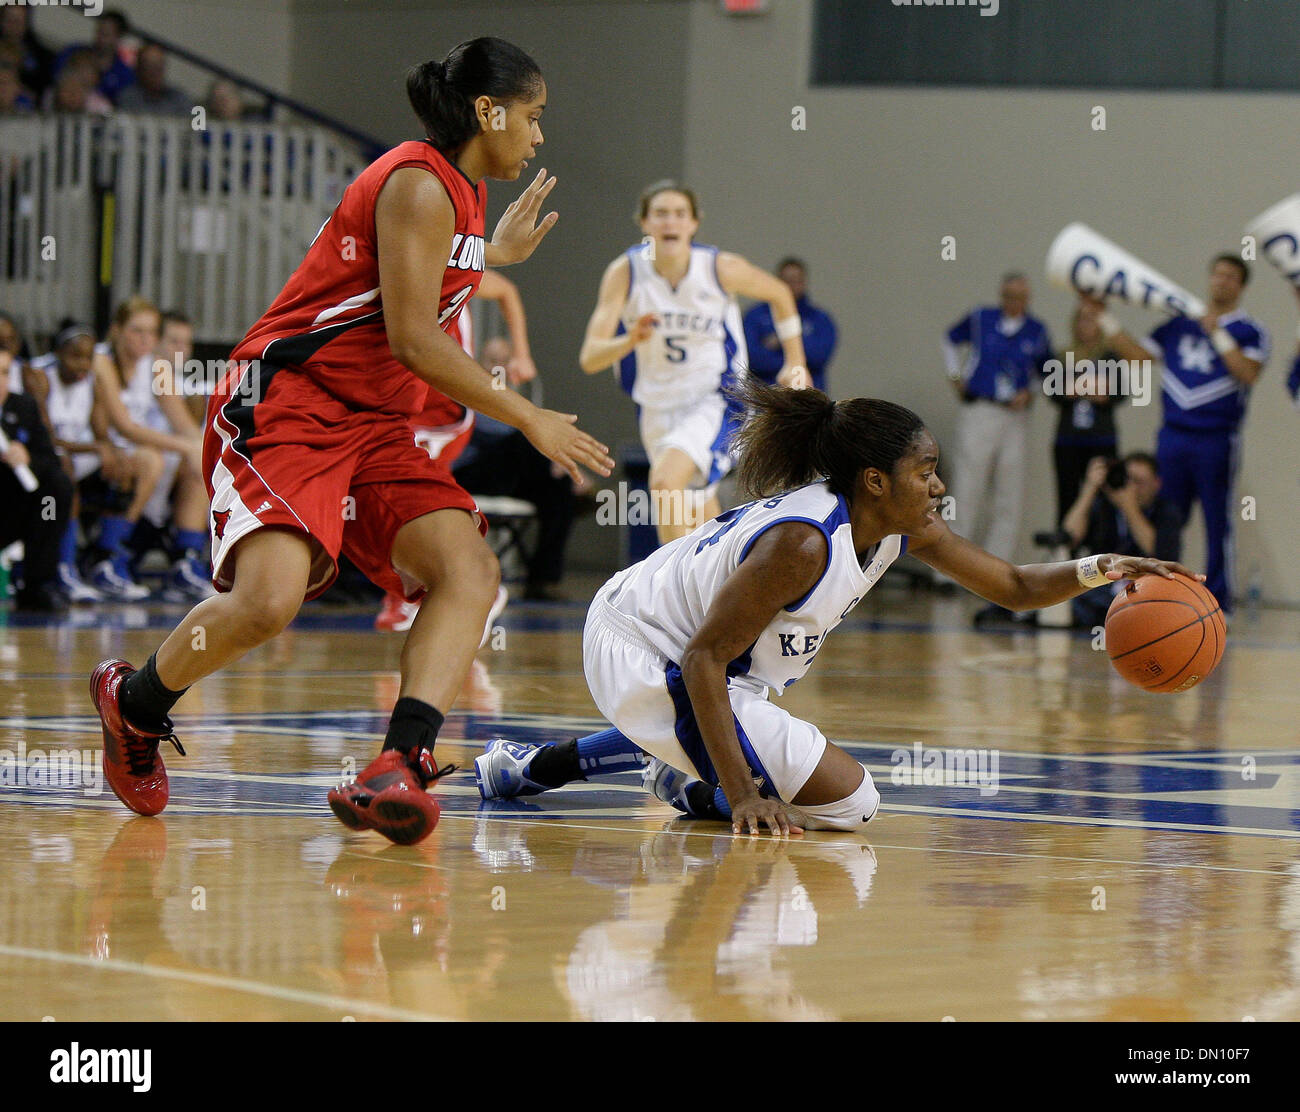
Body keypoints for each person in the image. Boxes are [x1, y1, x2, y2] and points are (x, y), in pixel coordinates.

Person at [88, 37, 613, 846]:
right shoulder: (414, 180)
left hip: (370, 425)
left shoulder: (460, 198)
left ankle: (400, 762)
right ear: (488, 111)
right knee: (268, 601)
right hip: (287, 400)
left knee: (468, 570)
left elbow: (434, 271)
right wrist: (528, 415)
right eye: (534, 117)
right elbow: (414, 338)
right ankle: (136, 704)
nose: (539, 136)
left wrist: (491, 251)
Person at [475, 381, 1198, 835]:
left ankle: (532, 768)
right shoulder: (803, 544)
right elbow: (700, 658)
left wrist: (1104, 568)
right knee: (852, 806)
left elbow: (1011, 585)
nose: (939, 485)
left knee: (745, 733)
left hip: (701, 666)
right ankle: (697, 780)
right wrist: (740, 794)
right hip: (644, 646)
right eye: (926, 471)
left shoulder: (897, 523)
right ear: (876, 480)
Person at [579, 181, 810, 546]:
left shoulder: (719, 268)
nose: (670, 222)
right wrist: (630, 339)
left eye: (679, 214)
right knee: (695, 510)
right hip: (655, 405)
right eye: (660, 214)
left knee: (664, 483)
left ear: (693, 223)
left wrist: (795, 362)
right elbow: (591, 357)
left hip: (716, 400)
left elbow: (780, 294)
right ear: (644, 222)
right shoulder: (625, 272)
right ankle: (719, 591)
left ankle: (672, 597)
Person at [1087, 253, 1268, 613]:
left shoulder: (1250, 330)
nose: (1221, 281)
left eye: (1231, 276)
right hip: (1173, 435)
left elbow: (1246, 373)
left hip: (1216, 437)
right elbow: (1137, 356)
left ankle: (1218, 602)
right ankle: (1159, 597)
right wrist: (1102, 316)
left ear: (1242, 286)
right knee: (1168, 515)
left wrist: (1216, 330)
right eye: (1217, 274)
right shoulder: (1178, 324)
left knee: (1218, 521)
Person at [373, 266, 534, 631]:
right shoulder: (381, 260)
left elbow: (506, 289)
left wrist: (521, 354)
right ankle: (433, 587)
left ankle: (427, 589)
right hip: (399, 397)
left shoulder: (450, 261)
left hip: (442, 402)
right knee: (399, 495)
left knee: (402, 491)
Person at [942, 272, 1052, 624]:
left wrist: (1030, 391)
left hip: (1015, 418)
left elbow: (1044, 368)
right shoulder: (980, 319)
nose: (1013, 302)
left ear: (1028, 298)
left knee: (1009, 493)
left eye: (1020, 296)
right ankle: (949, 571)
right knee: (967, 487)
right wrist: (956, 376)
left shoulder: (1036, 331)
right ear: (1001, 295)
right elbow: (948, 339)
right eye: (1008, 295)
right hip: (981, 410)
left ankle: (995, 575)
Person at [92, 297, 209, 600]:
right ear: (116, 330)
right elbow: (125, 427)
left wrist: (202, 452)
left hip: (130, 453)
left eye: (151, 332)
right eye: (136, 331)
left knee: (200, 460)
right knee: (152, 460)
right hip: (92, 449)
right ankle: (106, 559)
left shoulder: (156, 367)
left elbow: (183, 424)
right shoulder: (100, 361)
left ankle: (185, 561)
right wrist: (185, 446)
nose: (145, 340)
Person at [453, 335, 582, 600]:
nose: (498, 367)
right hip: (470, 473)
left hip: (514, 474)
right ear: (479, 363)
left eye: (504, 361)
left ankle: (543, 580)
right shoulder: (464, 389)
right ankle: (563, 466)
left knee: (559, 490)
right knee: (519, 441)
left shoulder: (518, 403)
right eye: (492, 361)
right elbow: (482, 435)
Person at [1061, 452, 1182, 628]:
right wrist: (1089, 489)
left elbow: (1158, 552)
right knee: (1069, 595)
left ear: (1156, 484)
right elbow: (1068, 538)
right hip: (1101, 586)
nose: (1131, 488)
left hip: (1144, 588)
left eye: (1139, 482)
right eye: (1128, 480)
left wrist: (1129, 507)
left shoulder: (1167, 512)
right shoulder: (1104, 505)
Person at [1, 346, 73, 612]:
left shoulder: (23, 406)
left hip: (14, 509)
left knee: (55, 490)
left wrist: (27, 457)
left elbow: (50, 459)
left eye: (5, 373)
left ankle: (38, 583)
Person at [1045, 304, 1125, 525]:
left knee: (1104, 497)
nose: (1085, 325)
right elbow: (1055, 392)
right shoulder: (1062, 356)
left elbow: (1118, 393)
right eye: (1081, 319)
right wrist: (1091, 387)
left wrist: (1080, 388)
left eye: (1091, 319)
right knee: (1067, 496)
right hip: (1068, 439)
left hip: (1102, 438)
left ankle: (1103, 549)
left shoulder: (1111, 357)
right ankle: (1066, 551)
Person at [742, 257, 837, 393]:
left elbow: (819, 356)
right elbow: (752, 358)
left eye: (796, 281)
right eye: (786, 281)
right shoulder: (755, 316)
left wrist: (784, 341)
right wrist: (789, 363)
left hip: (807, 396)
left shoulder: (820, 318)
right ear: (777, 281)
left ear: (804, 282)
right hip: (765, 395)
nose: (791, 286)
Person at [52, 9, 134, 104]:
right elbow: (55, 78)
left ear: (118, 37)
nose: (99, 38)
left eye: (106, 34)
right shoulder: (73, 52)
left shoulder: (124, 73)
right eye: (98, 32)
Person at [115, 43, 191, 117]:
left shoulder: (179, 99)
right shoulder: (128, 98)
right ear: (139, 69)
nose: (155, 72)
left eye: (159, 66)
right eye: (149, 67)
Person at [0, 5, 54, 100]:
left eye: (18, 21)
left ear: (26, 23)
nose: (13, 26)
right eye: (9, 20)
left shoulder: (41, 56)